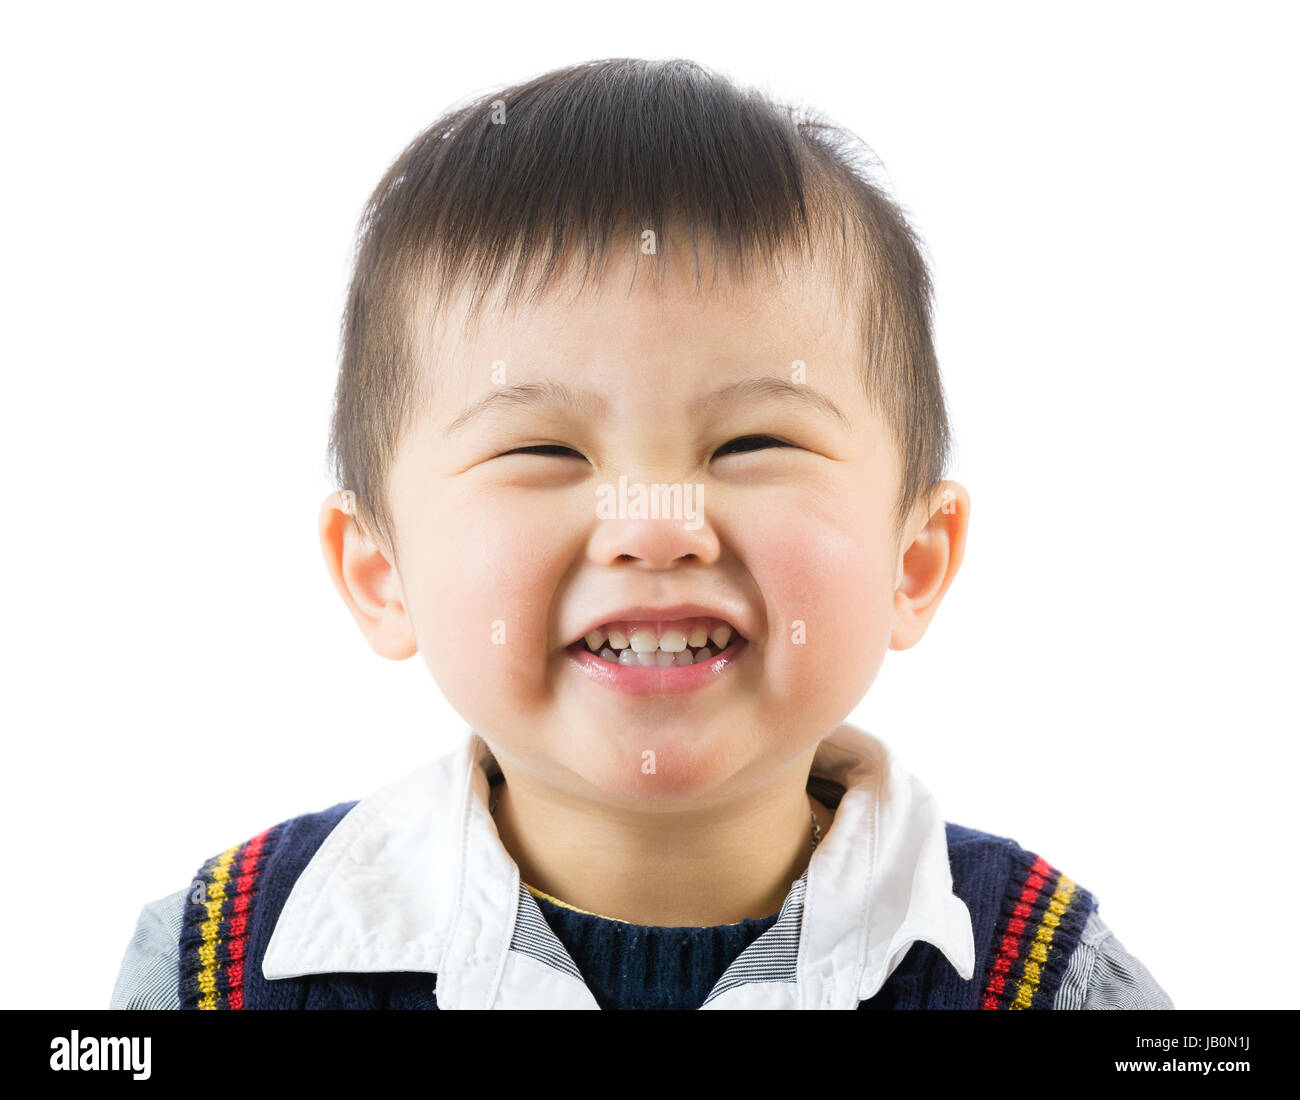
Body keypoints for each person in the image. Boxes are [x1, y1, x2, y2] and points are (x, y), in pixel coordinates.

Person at [110, 57, 1171, 1010]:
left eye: (753, 439)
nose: (656, 527)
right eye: (545, 451)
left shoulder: (1053, 980)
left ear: (915, 559)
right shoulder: (214, 972)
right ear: (380, 570)